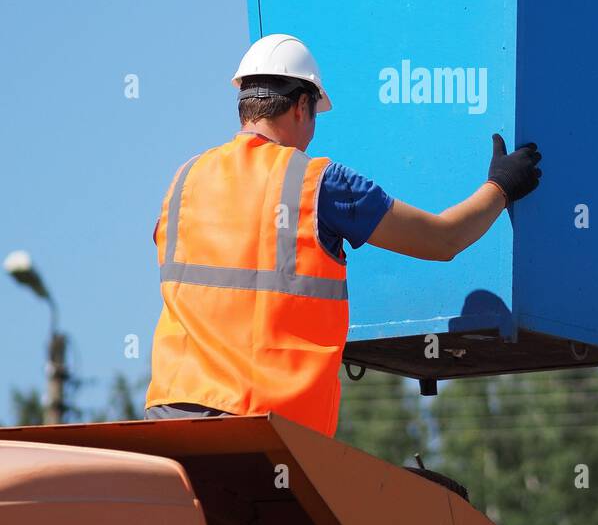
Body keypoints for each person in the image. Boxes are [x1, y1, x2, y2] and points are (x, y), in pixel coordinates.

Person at [145, 34, 541, 434]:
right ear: (302, 107)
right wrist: (502, 186)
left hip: (170, 417)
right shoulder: (317, 182)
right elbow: (443, 239)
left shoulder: (184, 181)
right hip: (264, 426)